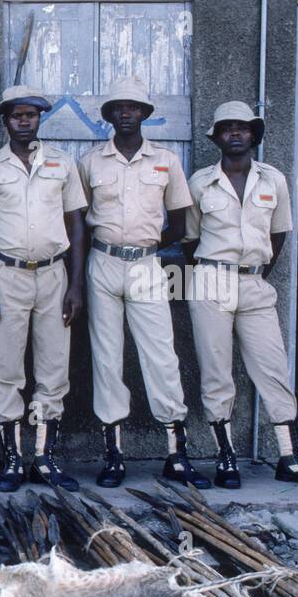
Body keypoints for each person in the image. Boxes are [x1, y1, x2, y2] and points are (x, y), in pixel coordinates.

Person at [183, 102, 298, 489]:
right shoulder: (200, 182)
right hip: (211, 280)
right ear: (216, 137)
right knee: (216, 371)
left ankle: (290, 456)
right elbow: (190, 238)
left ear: (254, 135)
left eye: (243, 128)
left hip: (254, 283)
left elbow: (280, 233)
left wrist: (254, 271)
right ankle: (225, 456)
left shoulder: (273, 181)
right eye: (227, 128)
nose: (235, 134)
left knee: (272, 368)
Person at [77, 76, 210, 489]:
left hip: (148, 266)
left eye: (134, 107)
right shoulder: (91, 162)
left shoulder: (165, 161)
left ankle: (176, 452)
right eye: (119, 107)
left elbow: (185, 223)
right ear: (110, 115)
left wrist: (151, 241)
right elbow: (78, 222)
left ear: (145, 114)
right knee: (106, 356)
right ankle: (113, 453)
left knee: (161, 354)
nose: (126, 113)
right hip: (102, 261)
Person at [0, 85, 87, 493]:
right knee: (5, 369)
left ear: (39, 119)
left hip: (54, 275)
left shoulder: (62, 164)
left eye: (31, 115)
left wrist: (77, 285)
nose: (24, 121)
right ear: (5, 121)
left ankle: (44, 457)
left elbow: (76, 223)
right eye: (17, 115)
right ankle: (13, 461)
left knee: (54, 368)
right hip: (8, 276)